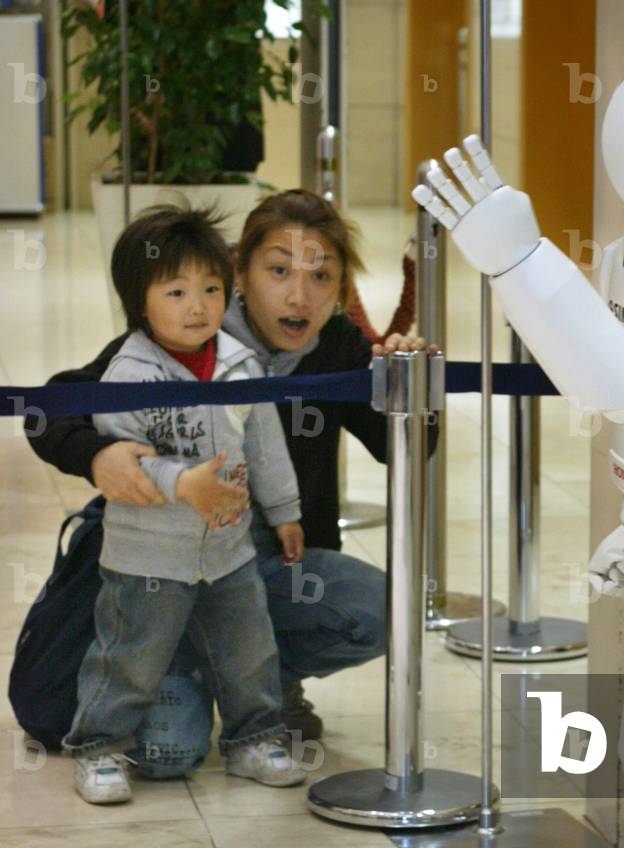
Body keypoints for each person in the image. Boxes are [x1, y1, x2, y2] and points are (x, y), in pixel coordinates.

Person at [25, 189, 429, 777]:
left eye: (322, 276)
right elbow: (49, 408)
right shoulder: (176, 335)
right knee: (167, 752)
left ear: (342, 287)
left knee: (380, 608)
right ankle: (178, 666)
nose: (299, 295)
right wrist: (98, 455)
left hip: (254, 561)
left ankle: (261, 686)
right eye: (279, 271)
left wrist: (408, 385)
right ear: (239, 272)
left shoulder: (337, 345)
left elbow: (408, 450)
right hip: (160, 562)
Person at [64, 205, 307, 803]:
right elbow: (128, 459)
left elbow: (264, 442)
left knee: (250, 650)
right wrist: (184, 484)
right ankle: (97, 747)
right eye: (176, 291)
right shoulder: (127, 372)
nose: (197, 306)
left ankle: (256, 738)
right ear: (138, 300)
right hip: (148, 558)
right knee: (130, 657)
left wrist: (285, 510)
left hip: (228, 548)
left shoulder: (239, 362)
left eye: (210, 289)